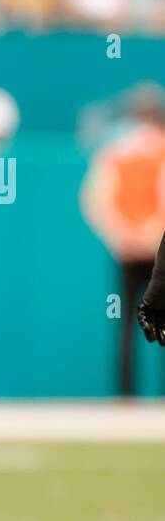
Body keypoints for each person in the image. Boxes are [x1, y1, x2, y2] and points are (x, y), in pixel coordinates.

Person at [81, 84, 165, 396]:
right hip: (152, 250)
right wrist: (145, 235)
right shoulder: (125, 153)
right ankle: (130, 398)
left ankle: (126, 398)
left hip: (130, 250)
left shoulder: (115, 151)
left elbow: (95, 199)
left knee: (127, 324)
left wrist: (121, 236)